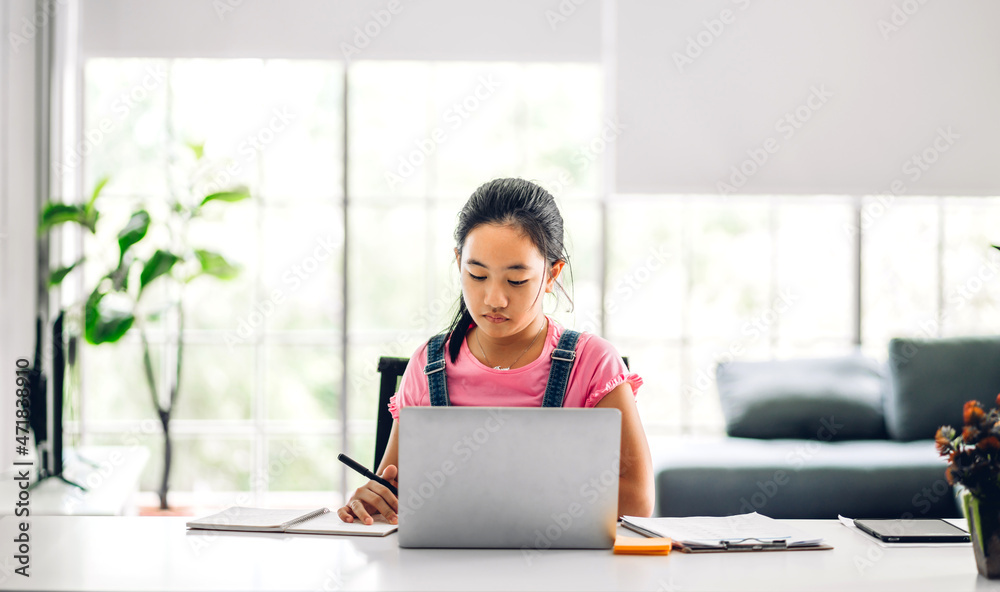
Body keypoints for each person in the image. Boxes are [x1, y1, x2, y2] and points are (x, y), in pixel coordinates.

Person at [337, 177, 655, 525]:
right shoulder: (429, 365)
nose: (494, 299)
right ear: (459, 262)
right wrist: (373, 498)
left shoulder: (592, 363)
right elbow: (392, 493)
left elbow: (638, 500)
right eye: (476, 275)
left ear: (552, 274)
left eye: (517, 280)